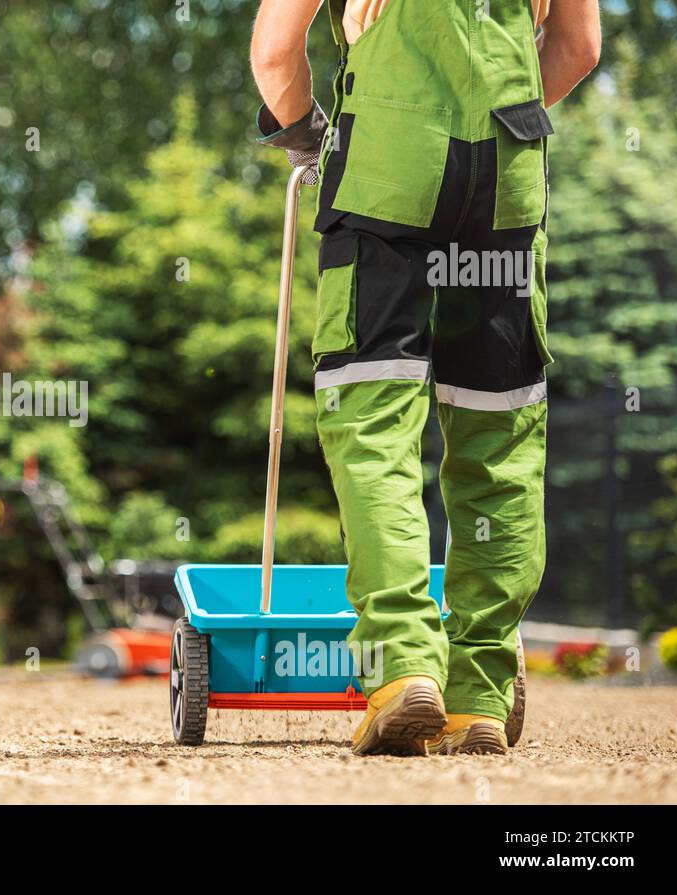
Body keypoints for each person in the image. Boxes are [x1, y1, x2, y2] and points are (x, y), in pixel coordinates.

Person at [249, 0, 601, 755]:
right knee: (498, 433)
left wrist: (316, 139)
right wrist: (500, 110)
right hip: (506, 178)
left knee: (372, 421)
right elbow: (578, 48)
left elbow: (277, 53)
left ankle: (403, 663)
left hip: (386, 169)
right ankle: (479, 688)